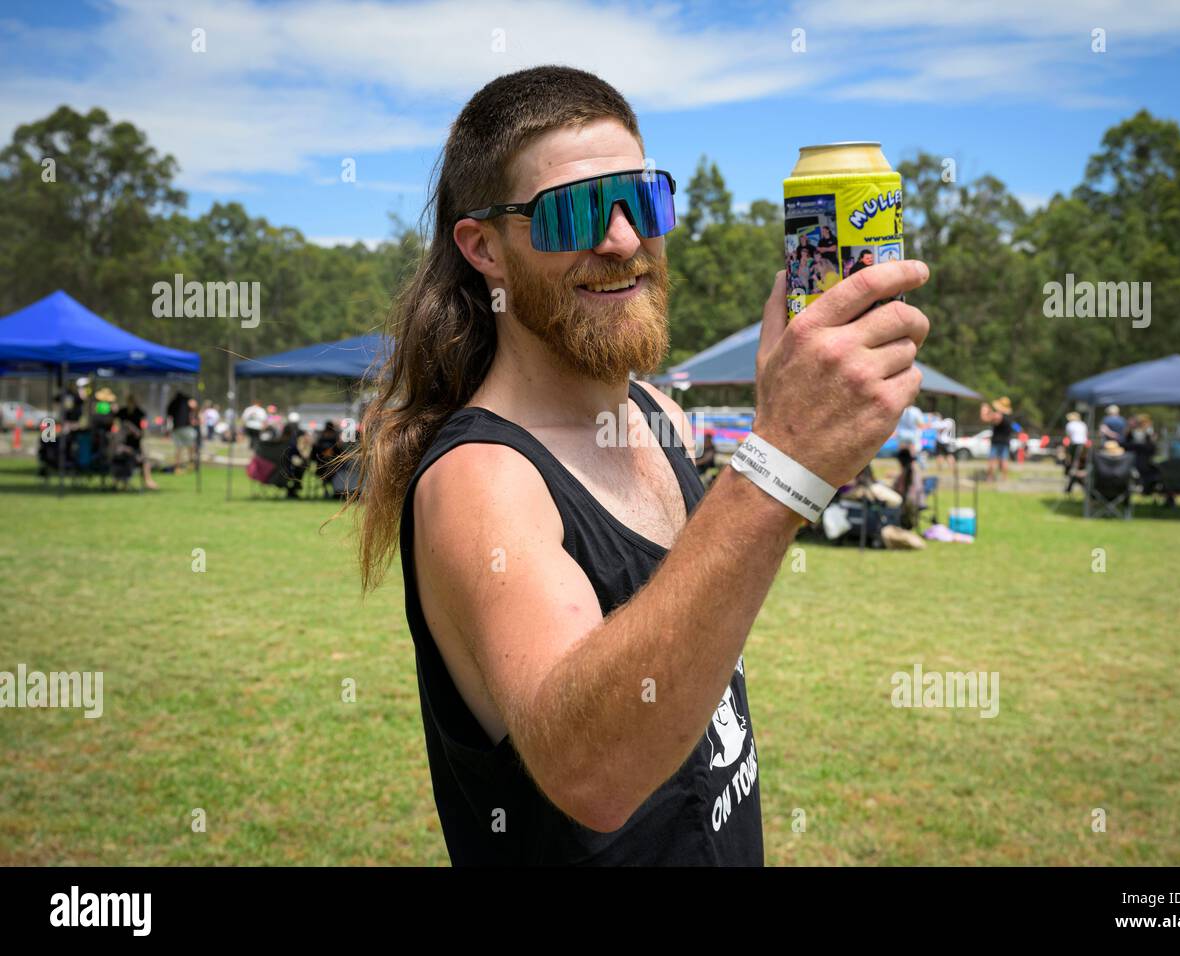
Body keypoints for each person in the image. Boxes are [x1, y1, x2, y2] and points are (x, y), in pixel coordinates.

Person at [344, 66, 930, 866]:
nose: (621, 239)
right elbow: (592, 775)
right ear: (484, 248)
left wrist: (807, 438)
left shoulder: (659, 417)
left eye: (641, 200)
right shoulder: (482, 481)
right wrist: (782, 458)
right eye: (575, 210)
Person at [114, 393, 159, 490]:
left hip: (135, 445)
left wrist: (134, 430)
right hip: (124, 446)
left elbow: (141, 433)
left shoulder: (139, 413)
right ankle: (124, 482)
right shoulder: (123, 413)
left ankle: (148, 480)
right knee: (130, 459)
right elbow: (117, 427)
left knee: (145, 460)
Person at [982, 396, 1014, 481]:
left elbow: (985, 418)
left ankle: (990, 478)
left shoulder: (999, 416)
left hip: (996, 442)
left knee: (992, 460)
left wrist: (985, 410)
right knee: (1004, 461)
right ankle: (1004, 478)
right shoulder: (1009, 417)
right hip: (1005, 442)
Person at [1063, 411, 1089, 494]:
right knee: (1079, 467)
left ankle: (1070, 487)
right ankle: (1071, 487)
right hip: (1084, 447)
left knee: (1074, 466)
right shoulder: (1083, 424)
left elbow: (1069, 437)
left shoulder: (1070, 425)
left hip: (1075, 446)